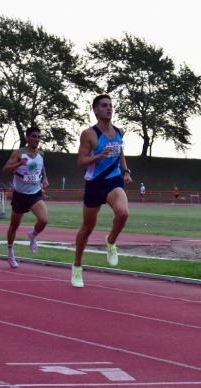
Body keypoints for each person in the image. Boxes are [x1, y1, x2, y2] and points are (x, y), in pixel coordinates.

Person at [71, 94, 133, 287]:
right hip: (94, 183)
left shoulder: (119, 132)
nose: (109, 108)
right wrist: (99, 156)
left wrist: (126, 171)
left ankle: (111, 242)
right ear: (96, 110)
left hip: (113, 181)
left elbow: (120, 151)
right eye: (104, 106)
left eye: (111, 105)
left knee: (122, 213)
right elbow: (81, 162)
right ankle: (77, 267)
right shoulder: (89, 134)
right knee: (87, 228)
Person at [2, 126, 49, 268]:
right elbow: (5, 169)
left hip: (35, 193)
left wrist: (45, 178)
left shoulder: (40, 153)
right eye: (34, 136)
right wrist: (18, 164)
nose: (37, 139)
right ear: (27, 138)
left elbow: (41, 166)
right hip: (20, 195)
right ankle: (10, 252)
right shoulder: (19, 153)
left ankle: (32, 235)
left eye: (39, 137)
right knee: (14, 226)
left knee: (43, 220)